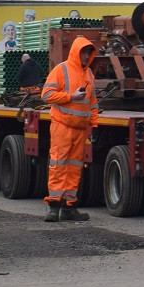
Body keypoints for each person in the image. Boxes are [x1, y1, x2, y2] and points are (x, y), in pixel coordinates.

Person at [38, 36, 99, 222]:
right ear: (76, 52)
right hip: (62, 126)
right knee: (58, 164)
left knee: (74, 167)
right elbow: (46, 95)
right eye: (84, 52)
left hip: (80, 129)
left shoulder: (89, 74)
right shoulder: (61, 69)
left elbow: (93, 103)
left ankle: (69, 206)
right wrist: (70, 97)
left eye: (89, 52)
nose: (86, 55)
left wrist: (94, 124)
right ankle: (53, 206)